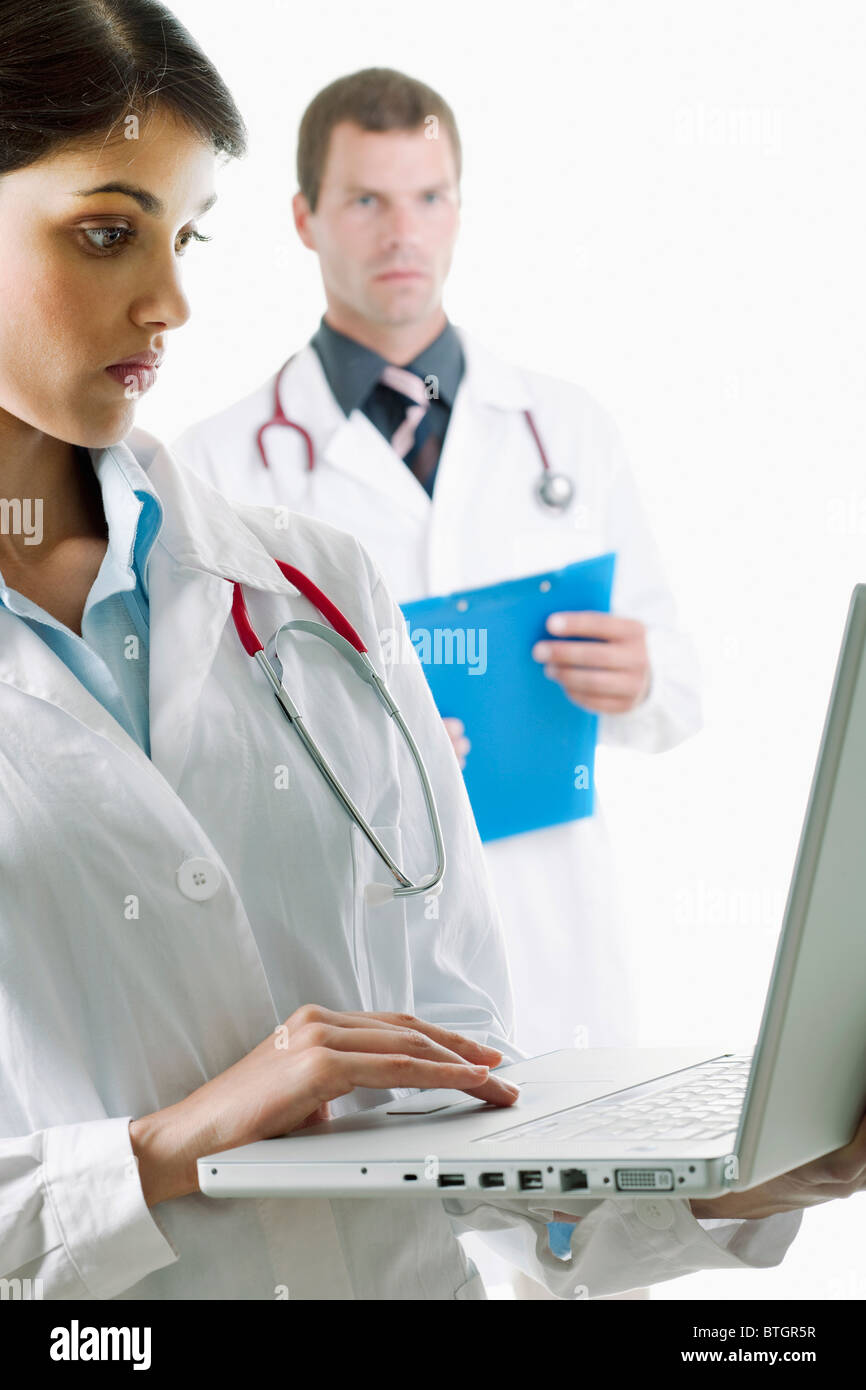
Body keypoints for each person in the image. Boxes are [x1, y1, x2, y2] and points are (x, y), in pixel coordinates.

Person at [1, 0, 863, 1303]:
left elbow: (461, 1097)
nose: (173, 298)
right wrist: (167, 1151)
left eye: (187, 236)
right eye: (108, 232)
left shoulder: (318, 587)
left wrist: (722, 1178)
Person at [173, 68, 702, 1071]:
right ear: (304, 218)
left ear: (458, 208)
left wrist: (637, 681)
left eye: (427, 197)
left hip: (557, 949)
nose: (400, 232)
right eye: (364, 199)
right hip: (359, 959)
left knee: (586, 1216)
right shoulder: (218, 460)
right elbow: (190, 755)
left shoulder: (564, 429)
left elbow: (680, 691)